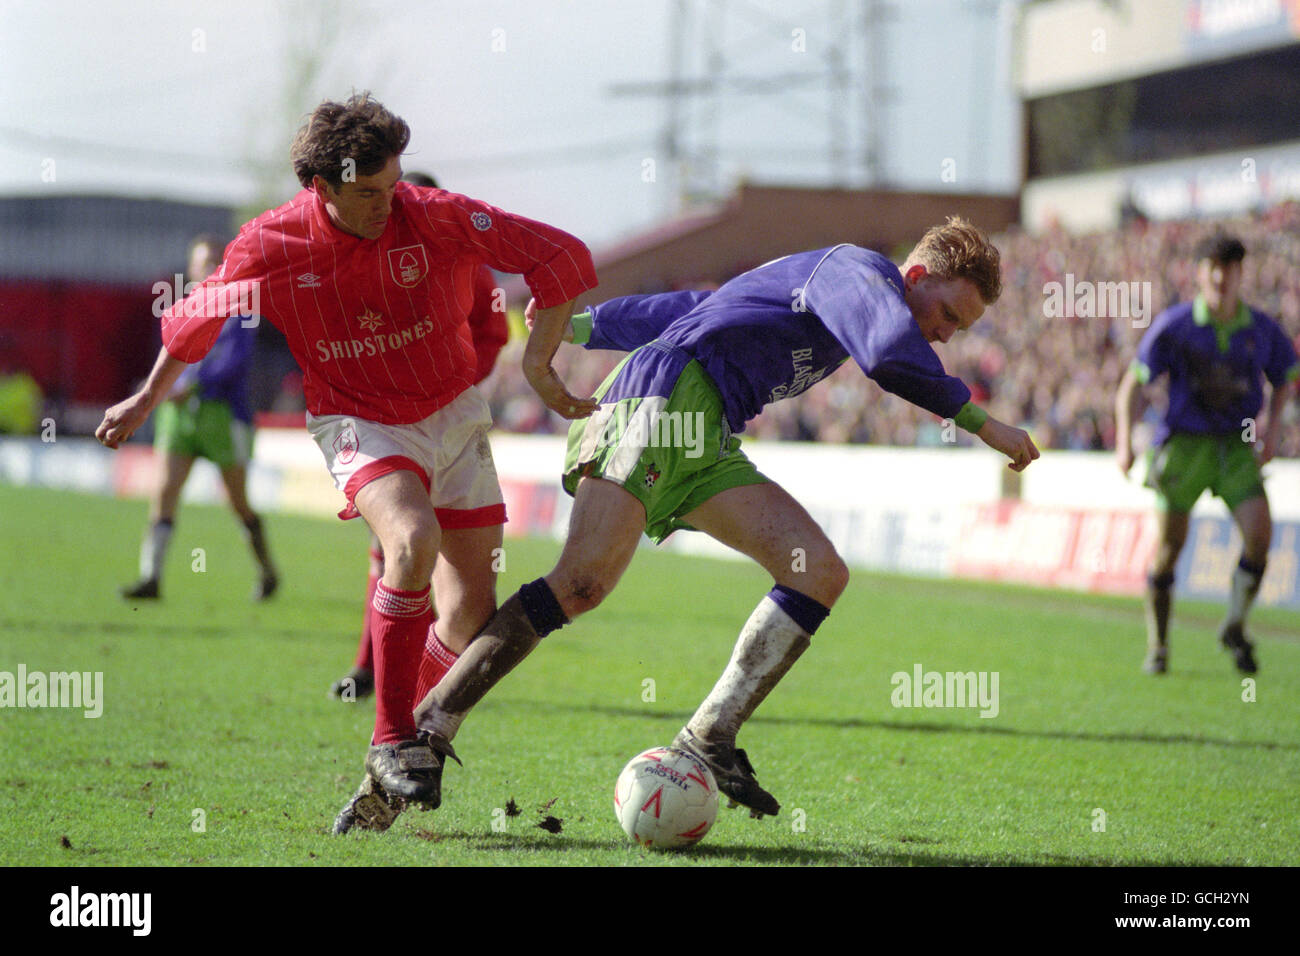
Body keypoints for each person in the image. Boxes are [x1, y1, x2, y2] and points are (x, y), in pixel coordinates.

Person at [400, 218, 1039, 826]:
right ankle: (427, 732)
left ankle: (710, 736)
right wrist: (987, 425)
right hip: (666, 392)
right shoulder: (858, 268)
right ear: (917, 272)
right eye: (949, 314)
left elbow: (699, 305)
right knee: (581, 584)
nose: (947, 334)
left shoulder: (827, 284)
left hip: (709, 430)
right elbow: (888, 354)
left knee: (818, 572)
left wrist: (587, 325)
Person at [95, 93, 596, 833]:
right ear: (319, 187)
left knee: (467, 610)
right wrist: (144, 399)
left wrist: (541, 365)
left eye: (392, 187)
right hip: (358, 421)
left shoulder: (435, 213)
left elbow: (563, 256)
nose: (386, 205)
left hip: (456, 417)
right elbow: (193, 319)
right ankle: (390, 736)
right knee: (410, 542)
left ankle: (398, 756)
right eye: (367, 193)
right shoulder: (271, 242)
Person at [328, 171, 510, 702]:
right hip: (380, 422)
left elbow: (492, 333)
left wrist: (448, 388)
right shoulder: (360, 260)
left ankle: (409, 680)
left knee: (434, 562)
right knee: (396, 545)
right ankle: (372, 671)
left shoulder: (463, 260)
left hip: (446, 424)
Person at [1116, 232, 1297, 676]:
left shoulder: (1261, 329)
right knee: (1169, 549)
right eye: (1213, 267)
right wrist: (1124, 441)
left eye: (1230, 268)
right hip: (1184, 447)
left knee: (1259, 536)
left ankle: (1234, 626)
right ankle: (1158, 645)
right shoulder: (1175, 326)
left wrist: (1272, 430)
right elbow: (1133, 384)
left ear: (1240, 274)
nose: (1220, 276)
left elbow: (1286, 379)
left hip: (1236, 447)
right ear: (1199, 273)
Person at [118, 235, 279, 602]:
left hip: (222, 417)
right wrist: (157, 388)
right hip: (180, 416)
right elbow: (172, 356)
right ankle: (151, 578)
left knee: (238, 502)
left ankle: (267, 571)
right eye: (200, 263)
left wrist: (187, 387)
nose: (205, 269)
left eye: (212, 263)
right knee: (164, 491)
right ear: (191, 268)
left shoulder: (241, 308)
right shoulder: (184, 307)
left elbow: (232, 364)